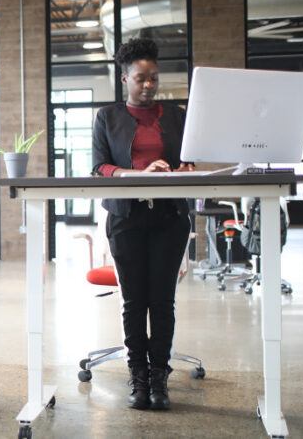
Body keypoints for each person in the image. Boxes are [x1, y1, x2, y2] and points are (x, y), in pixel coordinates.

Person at [91, 37, 194, 411]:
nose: (148, 85)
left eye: (153, 78)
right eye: (140, 78)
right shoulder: (108, 117)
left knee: (162, 301)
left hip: (169, 216)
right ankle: (137, 373)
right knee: (134, 302)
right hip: (125, 216)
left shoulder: (179, 115)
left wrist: (185, 168)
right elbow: (100, 166)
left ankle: (159, 376)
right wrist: (137, 171)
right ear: (124, 80)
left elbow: (190, 158)